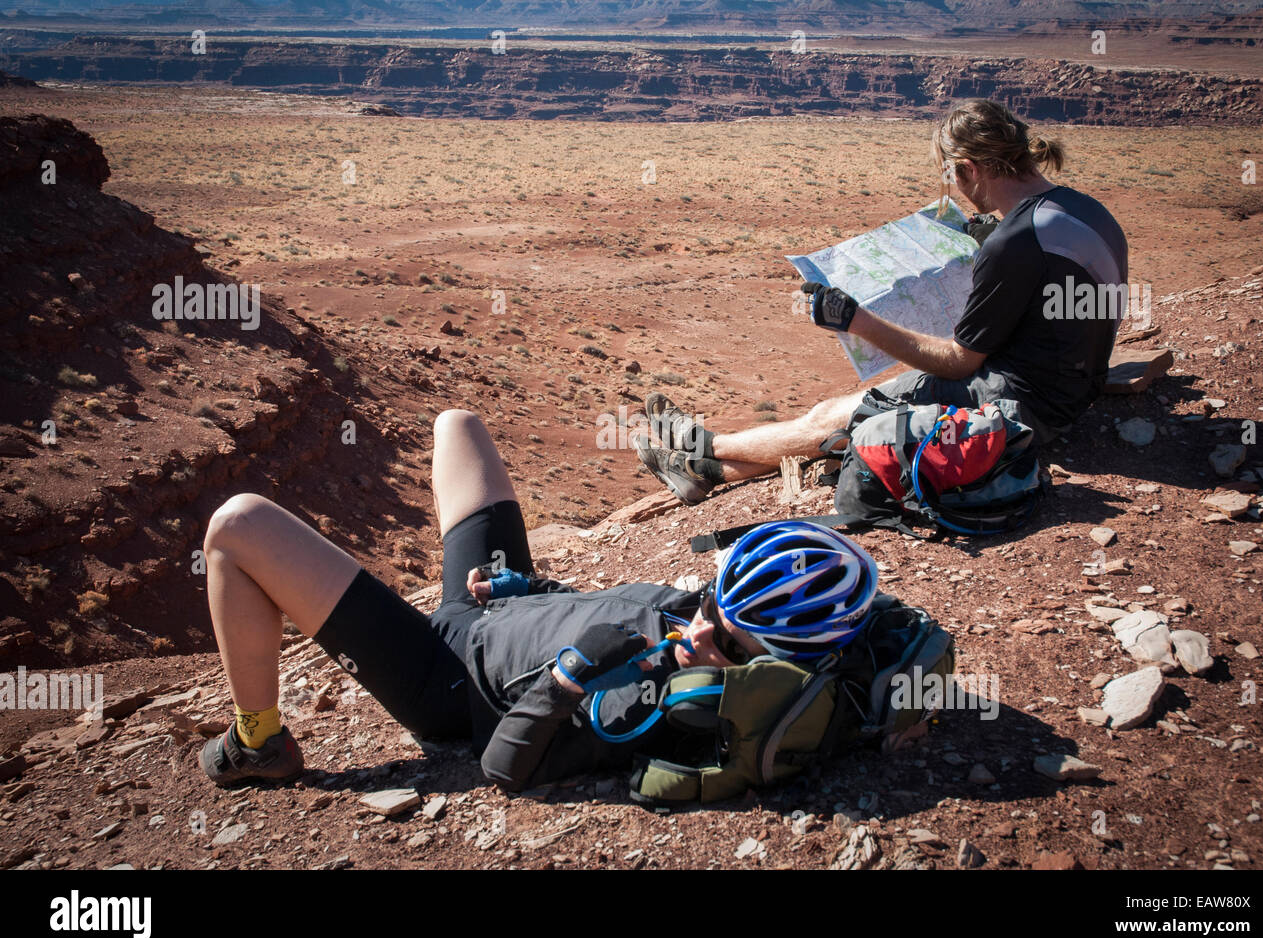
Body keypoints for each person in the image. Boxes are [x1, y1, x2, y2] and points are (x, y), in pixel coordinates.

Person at [197, 408, 880, 790]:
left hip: (445, 674)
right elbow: (606, 608)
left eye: (728, 647)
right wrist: (529, 588)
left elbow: (503, 764)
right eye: (710, 610)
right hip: (494, 606)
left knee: (237, 526)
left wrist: (564, 681)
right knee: (457, 426)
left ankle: (259, 741)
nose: (700, 634)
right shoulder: (706, 617)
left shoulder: (655, 705)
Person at [634, 98, 1130, 505]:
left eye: (950, 177)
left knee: (835, 415)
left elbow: (959, 363)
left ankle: (704, 447)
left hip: (1023, 404)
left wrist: (858, 321)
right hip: (1071, 384)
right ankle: (705, 471)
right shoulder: (1083, 209)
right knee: (846, 418)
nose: (952, 188)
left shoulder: (1015, 242)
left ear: (969, 168)